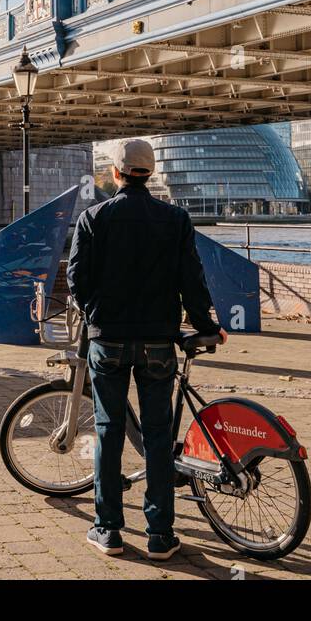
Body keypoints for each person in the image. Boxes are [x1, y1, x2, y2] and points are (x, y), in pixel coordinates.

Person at [66, 138, 225, 560]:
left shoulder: (93, 218)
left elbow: (77, 283)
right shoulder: (175, 220)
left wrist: (98, 314)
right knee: (157, 436)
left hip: (108, 341)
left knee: (108, 432)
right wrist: (208, 327)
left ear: (115, 174)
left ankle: (109, 531)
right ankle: (160, 536)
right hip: (158, 342)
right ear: (150, 174)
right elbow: (192, 281)